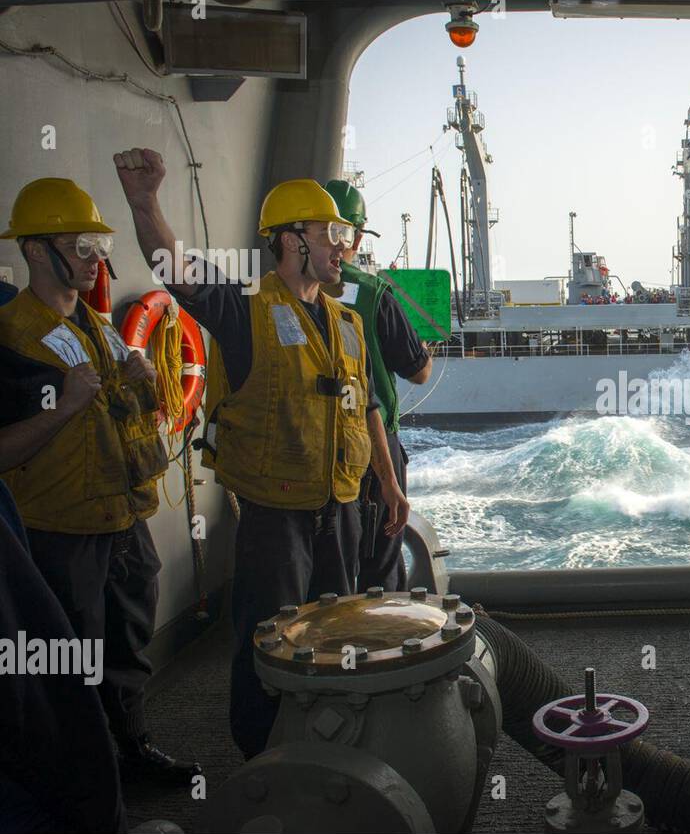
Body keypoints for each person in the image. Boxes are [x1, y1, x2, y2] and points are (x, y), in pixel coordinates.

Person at [113, 149, 409, 758]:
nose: (343, 247)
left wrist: (390, 484)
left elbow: (368, 407)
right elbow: (179, 270)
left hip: (343, 508)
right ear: (292, 241)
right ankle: (260, 756)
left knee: (335, 635)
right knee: (269, 637)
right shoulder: (247, 311)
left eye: (345, 235)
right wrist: (145, 203)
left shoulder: (348, 323)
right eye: (331, 234)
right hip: (277, 516)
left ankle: (331, 743)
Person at [0, 177, 200, 785]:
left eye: (97, 245)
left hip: (122, 521)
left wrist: (142, 378)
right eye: (80, 245)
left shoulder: (98, 325)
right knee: (68, 658)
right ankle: (76, 779)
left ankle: (131, 752)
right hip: (60, 532)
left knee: (126, 644)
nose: (95, 259)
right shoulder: (12, 338)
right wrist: (60, 406)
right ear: (36, 251)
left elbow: (128, 412)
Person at [323, 179, 432, 592]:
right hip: (371, 444)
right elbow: (418, 372)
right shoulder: (373, 294)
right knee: (381, 559)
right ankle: (383, 648)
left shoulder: (274, 293)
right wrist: (425, 344)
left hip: (308, 445)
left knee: (328, 565)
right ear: (355, 234)